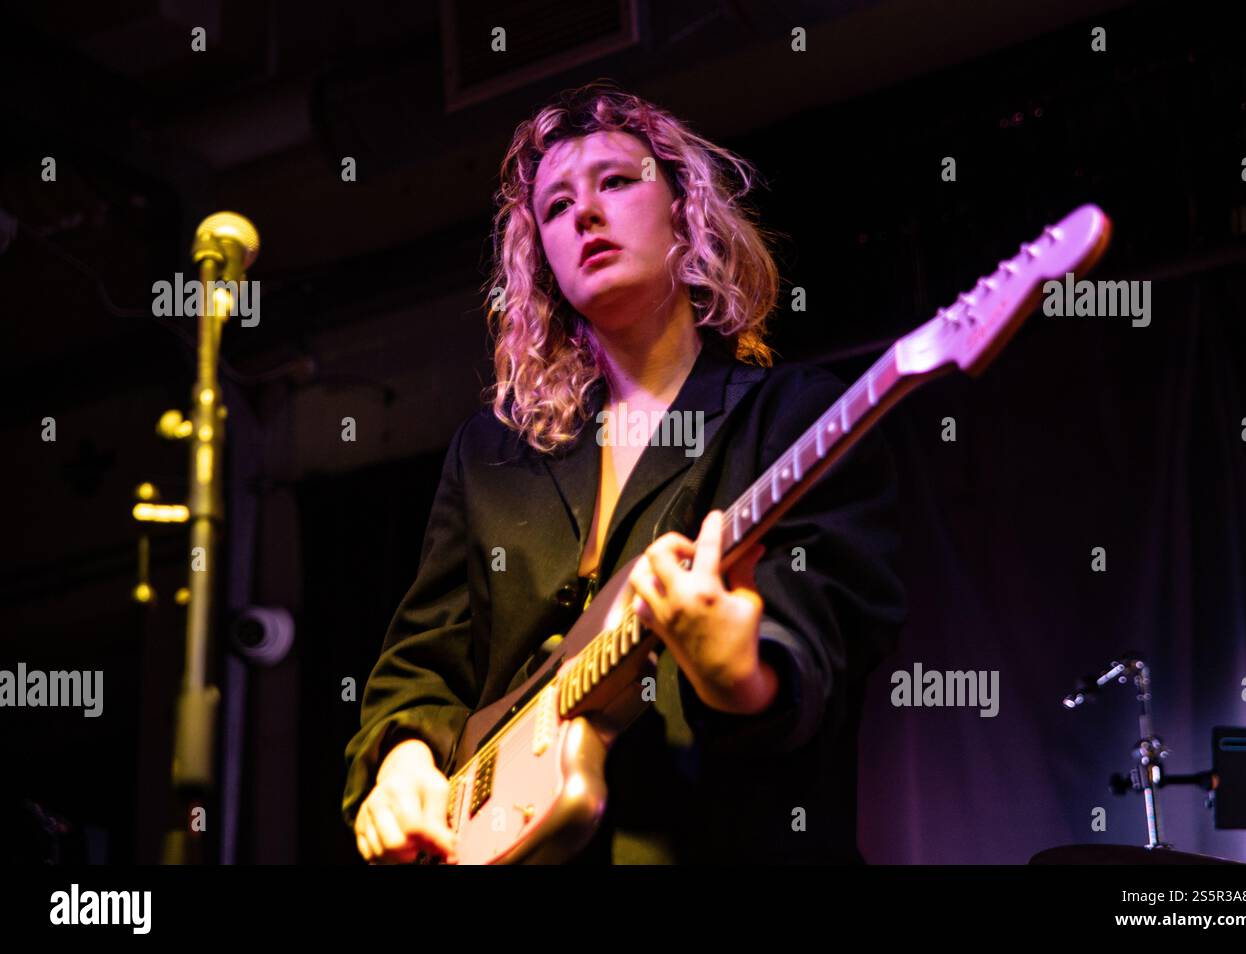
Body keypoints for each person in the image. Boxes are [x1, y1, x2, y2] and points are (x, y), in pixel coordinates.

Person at [341, 80, 907, 864]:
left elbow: (834, 634)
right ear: (540, 254)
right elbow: (422, 662)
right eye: (556, 206)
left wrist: (740, 672)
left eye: (614, 180)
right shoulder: (493, 455)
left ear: (685, 208)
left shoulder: (797, 416)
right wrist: (401, 760)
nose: (586, 214)